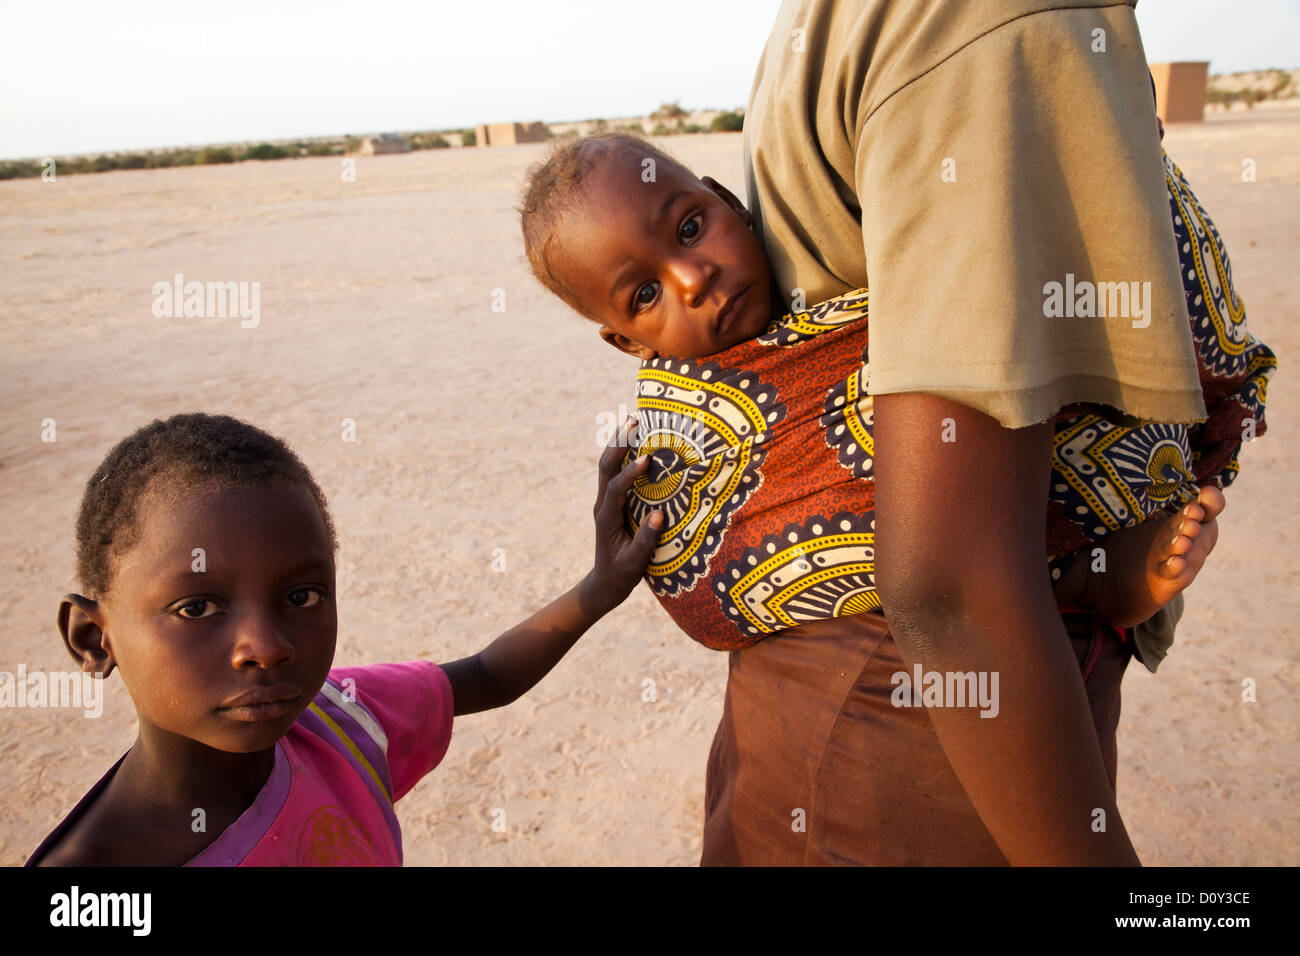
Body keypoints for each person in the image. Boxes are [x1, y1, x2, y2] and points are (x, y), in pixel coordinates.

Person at [517, 113, 1273, 861]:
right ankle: (1100, 580)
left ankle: (1104, 577)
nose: (693, 276)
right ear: (625, 342)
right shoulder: (677, 430)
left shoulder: (843, 264)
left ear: (725, 196)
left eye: (689, 228)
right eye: (644, 296)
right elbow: (685, 548)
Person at [26, 412, 663, 866]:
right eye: (197, 607)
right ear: (93, 638)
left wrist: (599, 588)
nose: (266, 645)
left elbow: (489, 675)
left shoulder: (340, 721)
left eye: (301, 597)